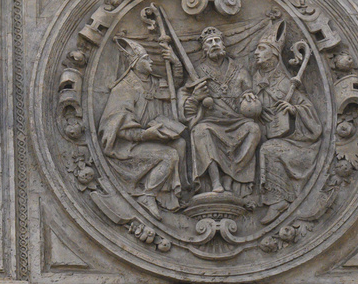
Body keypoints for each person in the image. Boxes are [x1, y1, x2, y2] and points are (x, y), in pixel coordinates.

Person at [99, 38, 186, 218]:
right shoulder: (123, 89)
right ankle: (148, 195)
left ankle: (169, 195)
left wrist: (175, 62)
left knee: (181, 144)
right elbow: (118, 129)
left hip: (151, 135)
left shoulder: (154, 82)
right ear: (134, 63)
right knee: (170, 155)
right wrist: (147, 135)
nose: (151, 61)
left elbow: (174, 85)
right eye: (146, 58)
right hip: (128, 146)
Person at [250, 20, 323, 223]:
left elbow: (311, 116)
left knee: (269, 149)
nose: (256, 53)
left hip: (297, 144)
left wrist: (294, 110)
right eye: (256, 49)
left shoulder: (286, 82)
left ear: (274, 55)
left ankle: (278, 201)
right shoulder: (255, 80)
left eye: (262, 49)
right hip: (264, 135)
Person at [180, 26, 261, 196]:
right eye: (210, 42)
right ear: (204, 49)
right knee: (200, 131)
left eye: (217, 41)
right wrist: (196, 97)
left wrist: (248, 98)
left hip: (237, 120)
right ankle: (215, 180)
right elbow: (187, 102)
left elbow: (248, 91)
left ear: (223, 45)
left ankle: (230, 178)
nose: (214, 44)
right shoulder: (198, 72)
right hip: (211, 121)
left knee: (254, 129)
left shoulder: (239, 70)